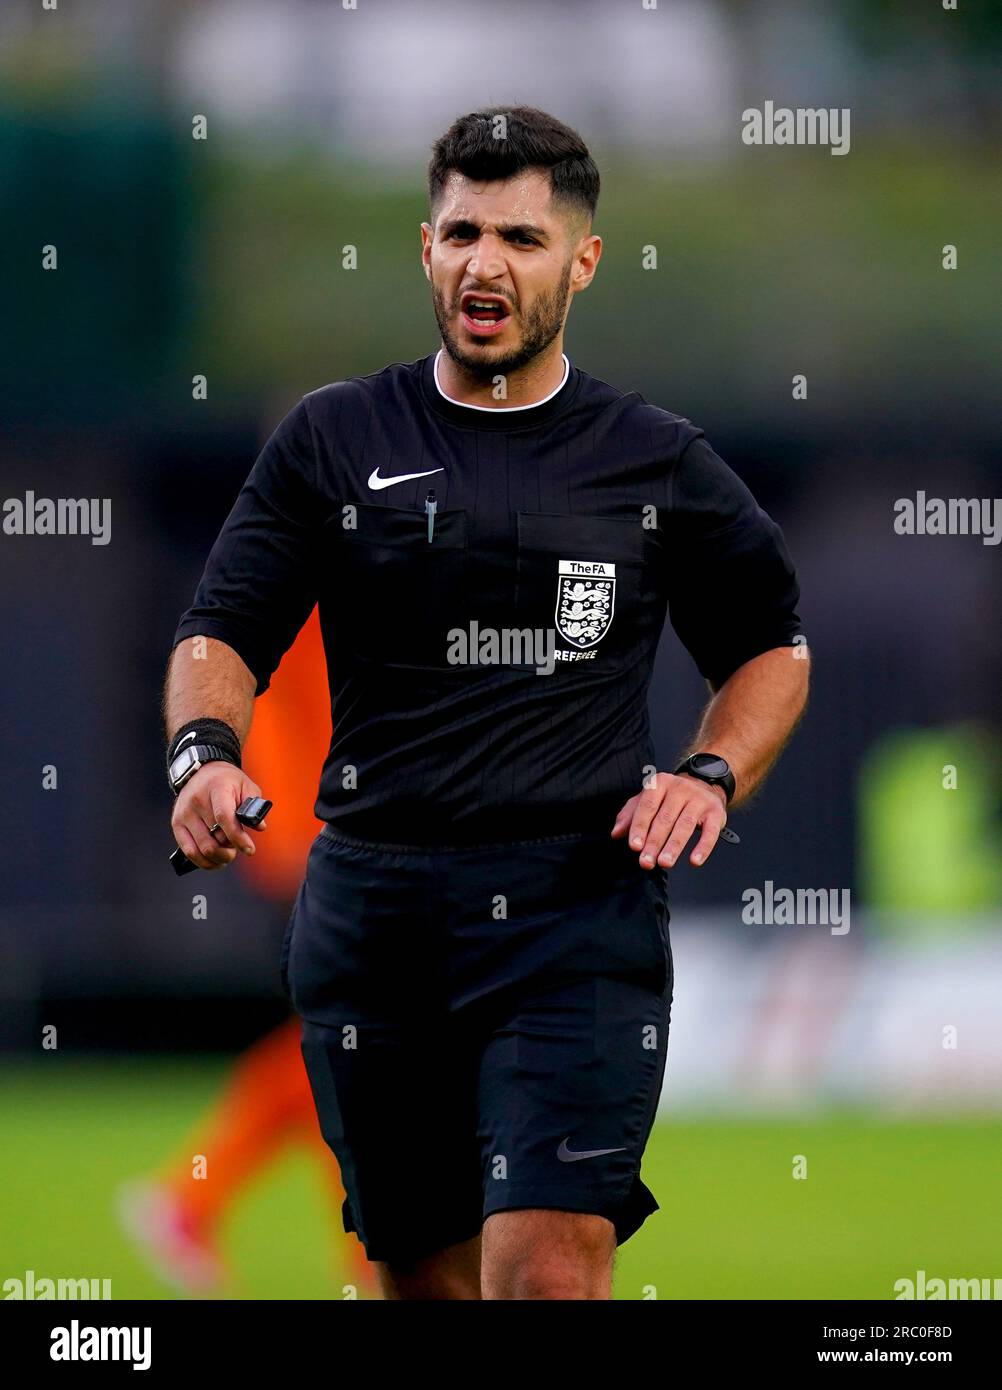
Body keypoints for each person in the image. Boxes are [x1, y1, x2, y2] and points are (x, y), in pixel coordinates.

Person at [162, 106, 810, 1300]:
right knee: (421, 1282)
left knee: (547, 1271)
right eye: (462, 232)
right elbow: (221, 632)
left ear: (583, 261)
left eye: (520, 237)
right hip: (376, 911)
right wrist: (202, 753)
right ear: (425, 248)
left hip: (578, 910)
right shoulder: (331, 440)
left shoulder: (654, 459)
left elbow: (772, 648)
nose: (485, 264)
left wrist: (712, 771)